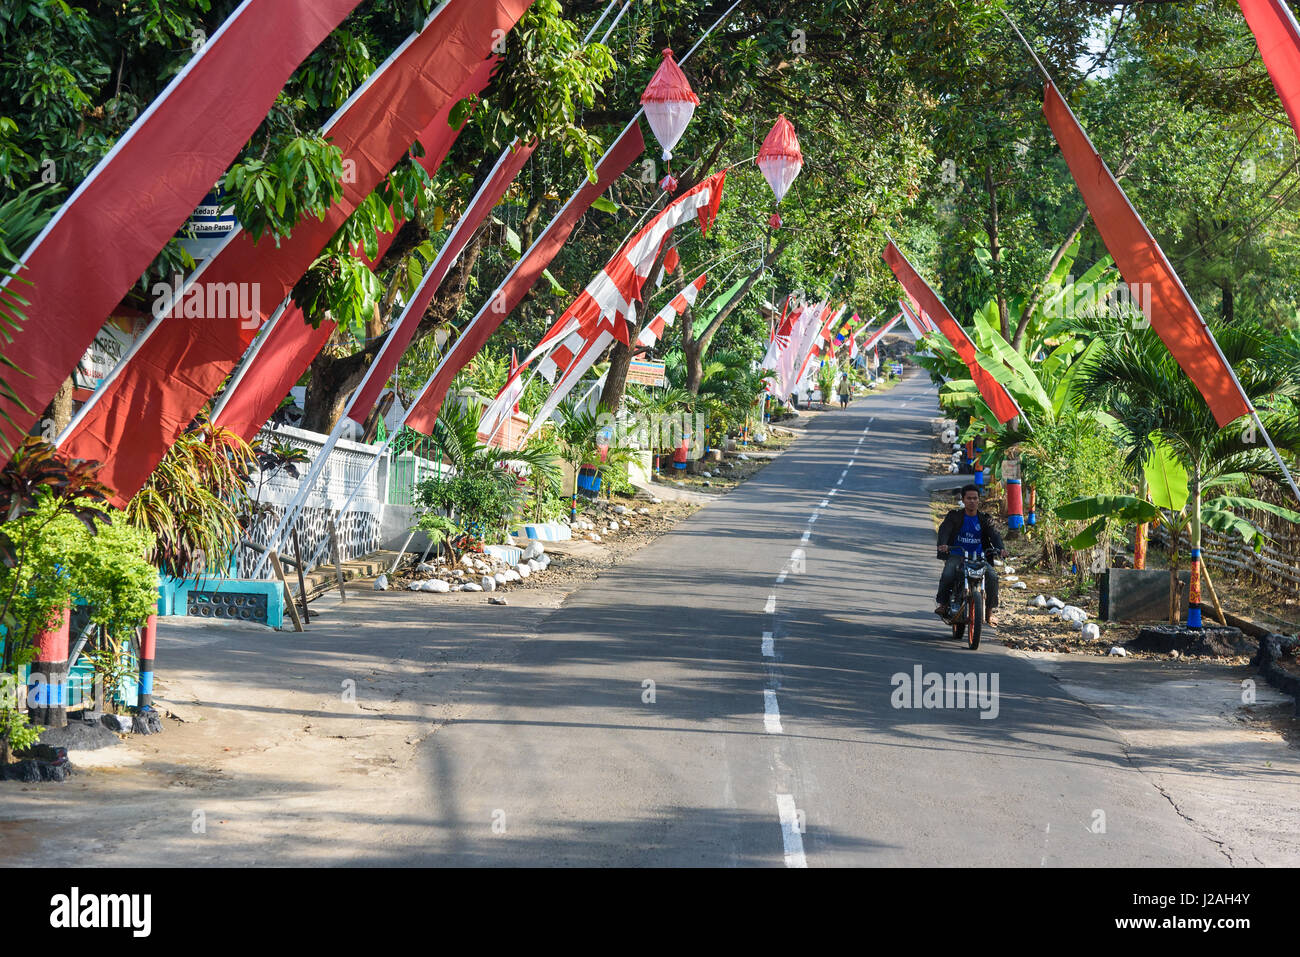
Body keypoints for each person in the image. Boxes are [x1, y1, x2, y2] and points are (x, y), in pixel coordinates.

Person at [935, 484, 1004, 627]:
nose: (972, 501)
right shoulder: (954, 516)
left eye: (975, 498)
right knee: (948, 574)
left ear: (979, 500)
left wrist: (1001, 549)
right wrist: (943, 544)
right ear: (963, 499)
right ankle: (943, 603)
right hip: (957, 555)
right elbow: (945, 530)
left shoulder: (985, 519)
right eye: (969, 498)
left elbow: (995, 535)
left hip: (979, 557)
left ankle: (989, 613)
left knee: (992, 577)